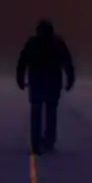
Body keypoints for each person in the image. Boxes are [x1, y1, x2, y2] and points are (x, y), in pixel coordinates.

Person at [16, 19, 75, 155]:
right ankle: (48, 141)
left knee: (37, 113)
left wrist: (20, 79)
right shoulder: (57, 43)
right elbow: (68, 63)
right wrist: (70, 80)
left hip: (37, 82)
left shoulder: (32, 43)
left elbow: (22, 62)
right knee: (50, 113)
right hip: (52, 83)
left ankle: (36, 143)